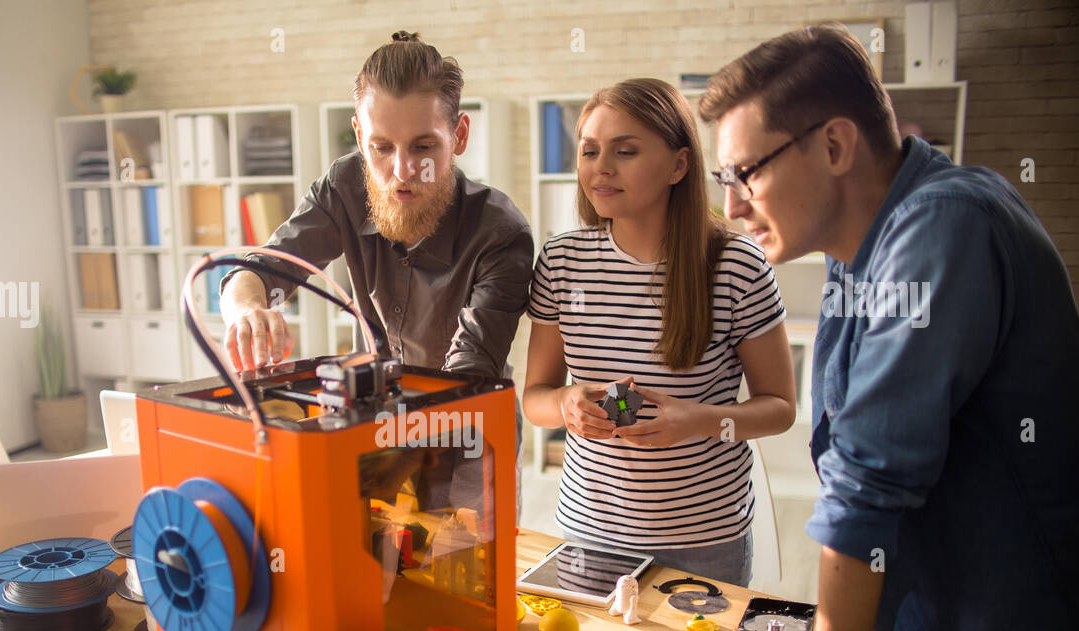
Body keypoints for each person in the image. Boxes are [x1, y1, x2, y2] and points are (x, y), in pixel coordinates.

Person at [700, 24, 1079, 631]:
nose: (729, 204)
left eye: (745, 173)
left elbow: (866, 486)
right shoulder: (861, 243)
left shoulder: (941, 230)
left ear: (833, 143)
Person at [522, 78, 796, 587]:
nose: (601, 167)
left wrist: (697, 421)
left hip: (705, 539)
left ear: (678, 165)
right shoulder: (561, 260)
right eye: (589, 151)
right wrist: (564, 402)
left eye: (625, 151)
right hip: (589, 533)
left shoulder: (736, 264)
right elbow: (533, 398)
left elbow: (779, 409)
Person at [218, 31, 532, 381]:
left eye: (424, 147)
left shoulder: (501, 233)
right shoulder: (344, 186)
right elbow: (260, 269)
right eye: (381, 148)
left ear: (459, 135)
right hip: (376, 418)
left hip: (466, 427)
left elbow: (468, 376)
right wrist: (247, 311)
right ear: (358, 136)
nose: (402, 172)